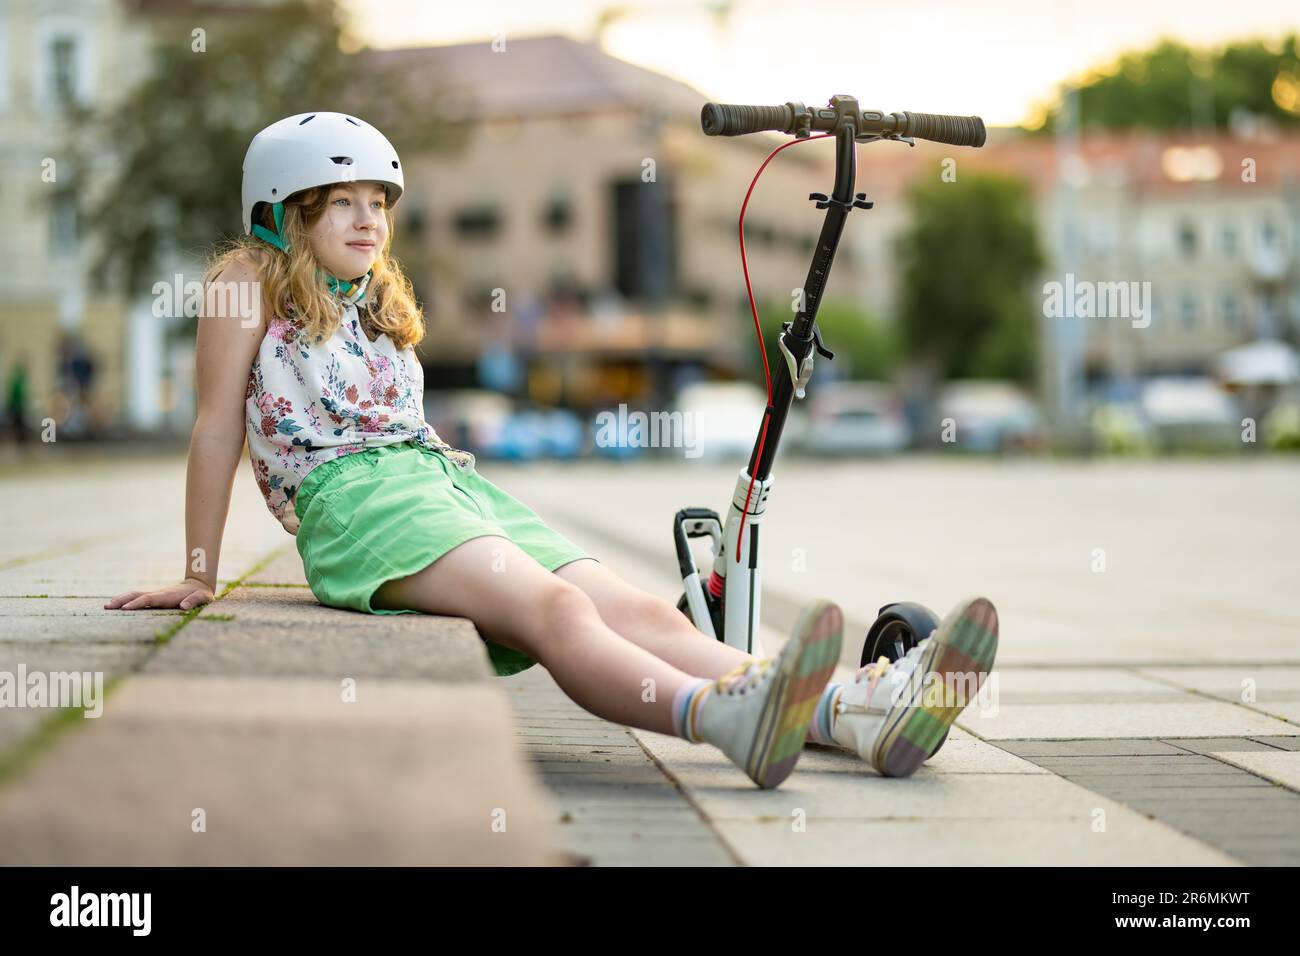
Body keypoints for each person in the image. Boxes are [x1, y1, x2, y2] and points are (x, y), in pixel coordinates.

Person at [105, 112, 998, 788]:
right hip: (357, 507)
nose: (369, 219)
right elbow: (217, 426)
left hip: (441, 485)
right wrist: (198, 570)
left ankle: (855, 714)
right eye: (340, 201)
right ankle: (717, 718)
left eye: (378, 202)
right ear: (280, 212)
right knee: (555, 613)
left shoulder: (367, 294)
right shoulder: (245, 281)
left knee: (641, 611)